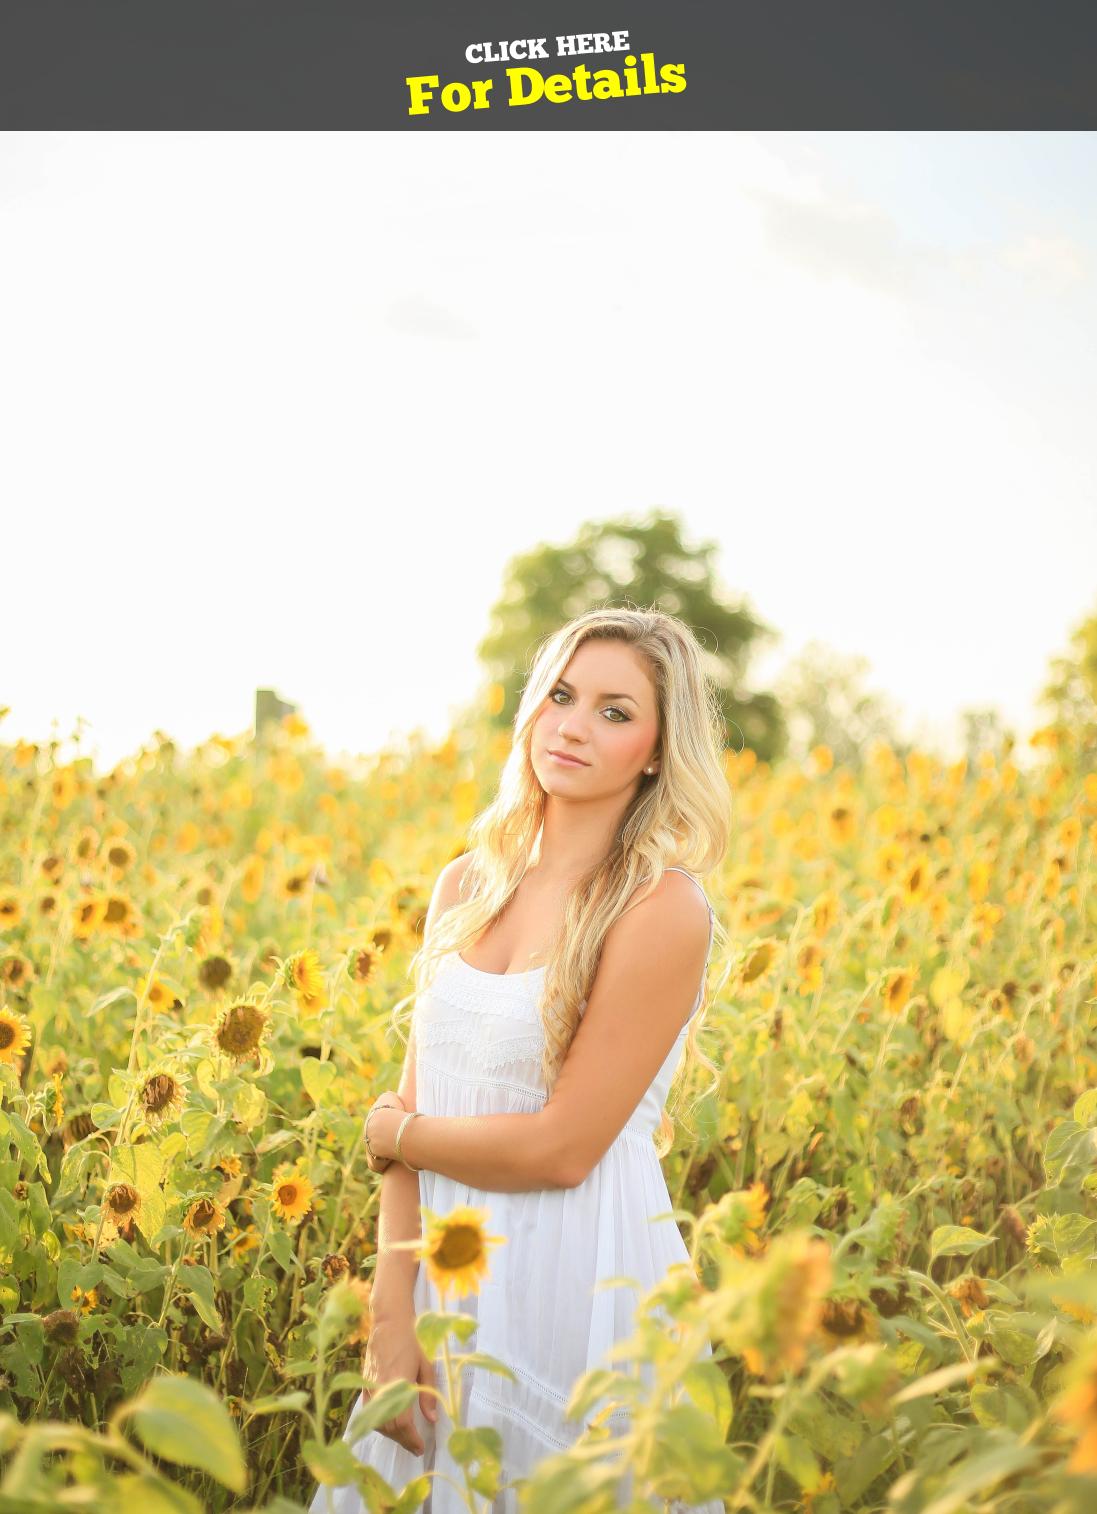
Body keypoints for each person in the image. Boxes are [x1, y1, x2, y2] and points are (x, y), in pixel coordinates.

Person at [310, 607, 732, 1514]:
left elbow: (561, 1148)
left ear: (658, 750)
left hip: (574, 1283)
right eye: (561, 696)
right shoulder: (466, 884)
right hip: (440, 1280)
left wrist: (396, 1130)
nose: (575, 726)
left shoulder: (660, 910)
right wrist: (391, 1318)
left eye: (616, 712)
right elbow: (407, 1138)